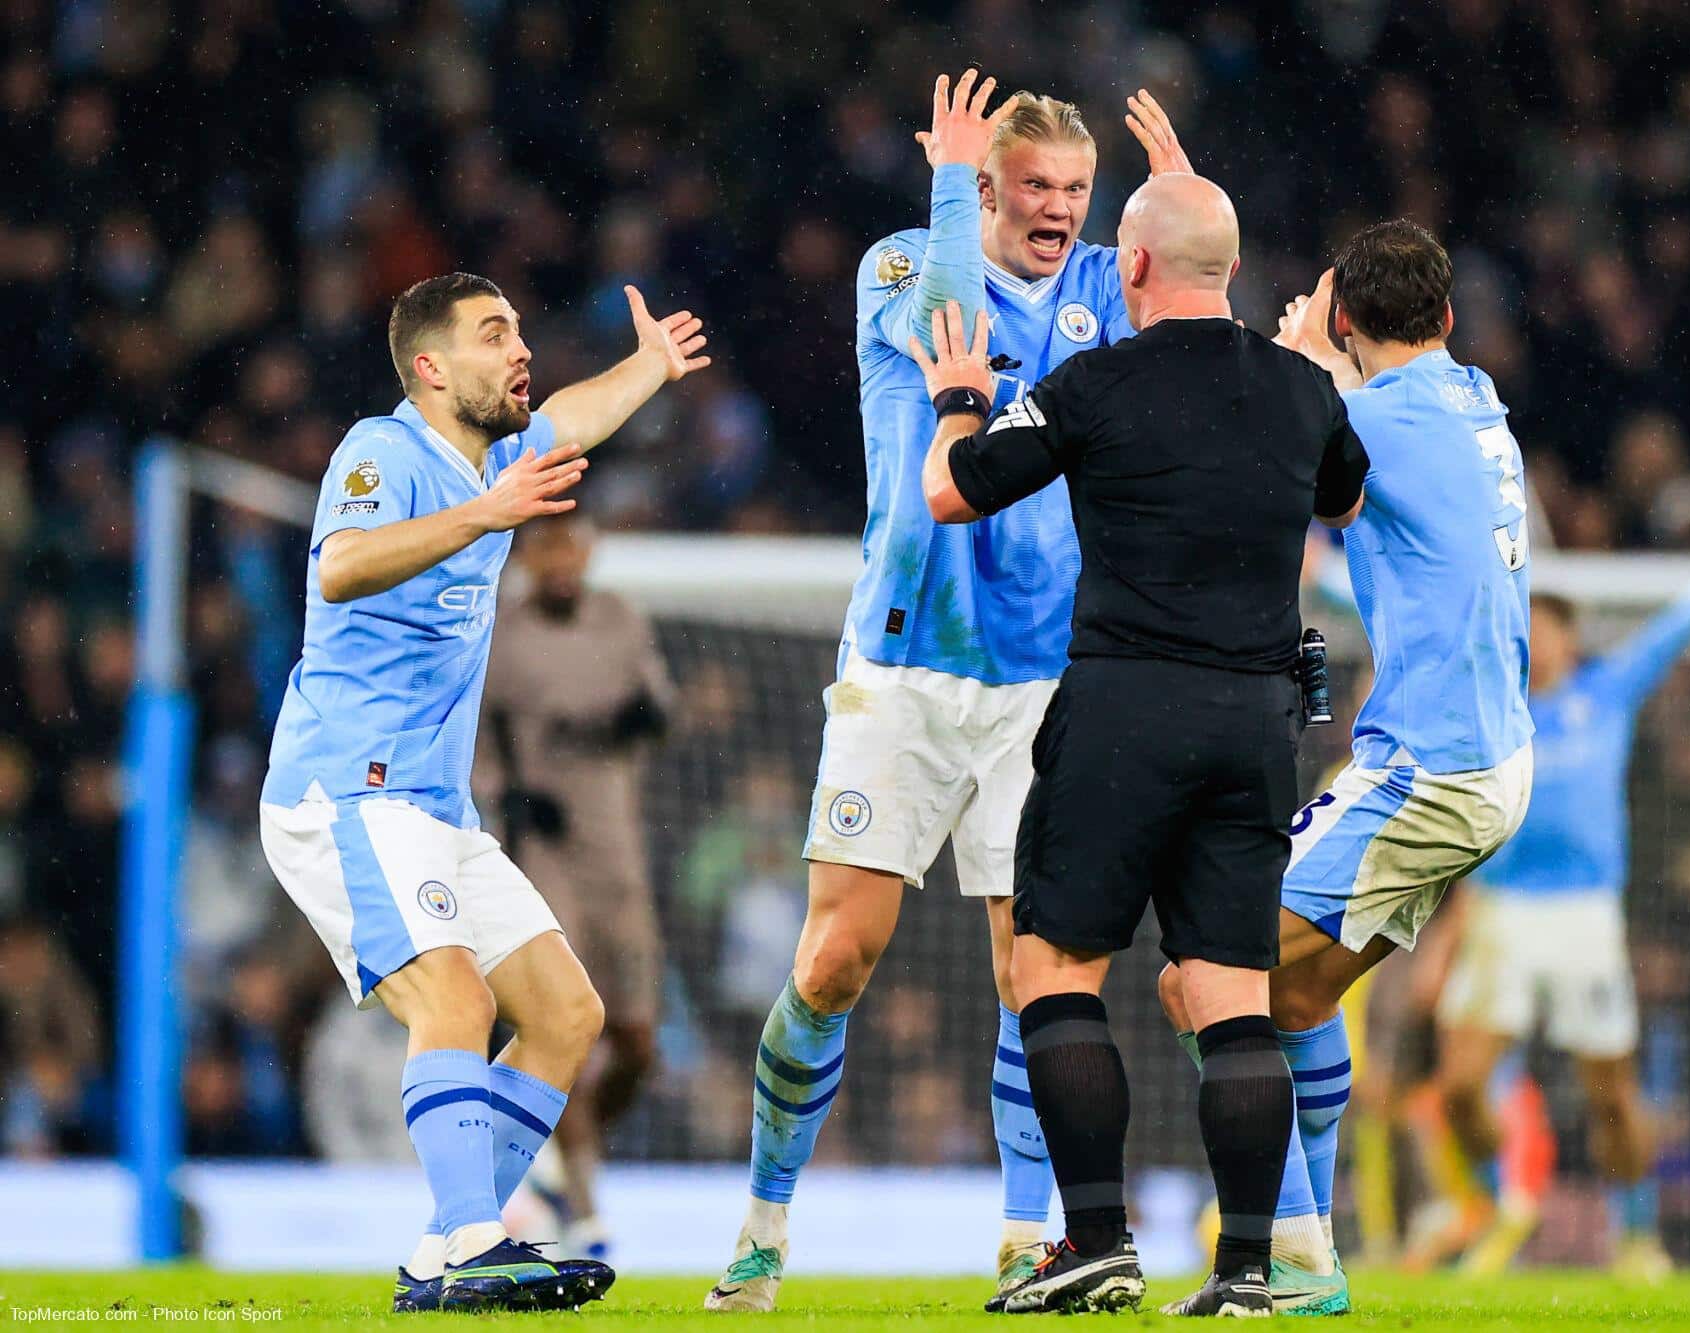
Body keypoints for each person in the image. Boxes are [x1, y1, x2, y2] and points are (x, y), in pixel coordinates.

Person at [707, 70, 1198, 1313]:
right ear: (985, 186)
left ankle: (1029, 1236)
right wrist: (939, 188)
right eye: (1035, 187)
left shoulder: (1100, 287)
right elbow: (945, 332)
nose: (1058, 212)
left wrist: (1178, 198)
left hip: (1045, 678)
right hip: (904, 660)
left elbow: (1193, 321)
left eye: (1077, 194)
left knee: (1029, 965)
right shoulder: (901, 259)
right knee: (831, 960)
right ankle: (764, 1222)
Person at [913, 169, 1371, 1317]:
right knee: (1230, 992)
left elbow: (954, 494)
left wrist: (960, 397)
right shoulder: (1300, 390)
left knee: (1051, 969)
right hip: (1254, 723)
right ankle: (1250, 1269)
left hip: (1124, 709)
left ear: (1129, 270)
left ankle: (1096, 1242)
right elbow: (1345, 499)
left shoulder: (1093, 384)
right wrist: (1307, 368)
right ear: (1228, 270)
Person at [258, 271, 709, 1312]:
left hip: (433, 806)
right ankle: (475, 1239)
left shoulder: (501, 452)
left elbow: (572, 414)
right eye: (493, 332)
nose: (519, 349)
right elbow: (341, 565)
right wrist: (482, 514)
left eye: (518, 327)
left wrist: (648, 365)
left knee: (563, 1014)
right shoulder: (383, 451)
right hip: (346, 793)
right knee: (455, 1001)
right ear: (429, 366)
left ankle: (438, 1251)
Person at [1157, 218, 1536, 1317]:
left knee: (1200, 974)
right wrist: (1323, 364)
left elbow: (1255, 433)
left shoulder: (1364, 417)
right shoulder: (1476, 405)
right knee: (1295, 993)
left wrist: (1298, 361)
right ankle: (1307, 1264)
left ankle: (1287, 1251)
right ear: (1449, 317)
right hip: (1489, 764)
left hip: (1430, 763)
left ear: (1344, 322)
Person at [1435, 477, 1690, 1280]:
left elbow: (1686, 622)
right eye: (1526, 624)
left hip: (1584, 917)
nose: (1535, 636)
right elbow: (1403, 614)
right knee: (1462, 1088)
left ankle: (1635, 1232)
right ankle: (1507, 1201)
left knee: (1612, 1094)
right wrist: (1315, 574)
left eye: (1548, 625)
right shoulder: (1490, 701)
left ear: (1571, 639)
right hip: (1502, 912)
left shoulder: (1607, 693)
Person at [478, 512, 677, 1261]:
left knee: (637, 1041)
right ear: (525, 555)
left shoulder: (621, 620)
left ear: (589, 548)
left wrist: (649, 715)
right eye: (544, 546)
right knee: (565, 1022)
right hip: (541, 860)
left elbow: (661, 709)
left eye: (570, 544)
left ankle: (561, 1159)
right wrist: (506, 803)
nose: (559, 559)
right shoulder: (500, 635)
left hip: (617, 857)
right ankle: (589, 1213)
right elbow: (473, 744)